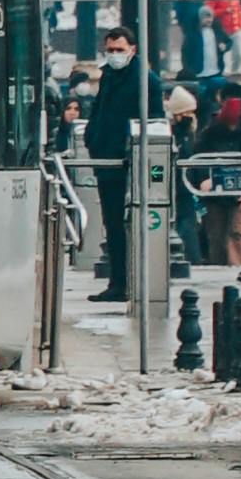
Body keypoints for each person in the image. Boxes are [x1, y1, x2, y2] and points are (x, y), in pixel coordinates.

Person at [84, 24, 144, 297]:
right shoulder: (107, 77)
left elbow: (150, 119)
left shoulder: (144, 80)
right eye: (110, 50)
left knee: (127, 225)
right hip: (105, 162)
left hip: (127, 163)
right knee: (113, 224)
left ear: (132, 50)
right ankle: (117, 282)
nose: (114, 54)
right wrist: (92, 139)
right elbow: (100, 113)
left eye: (119, 49)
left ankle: (127, 281)